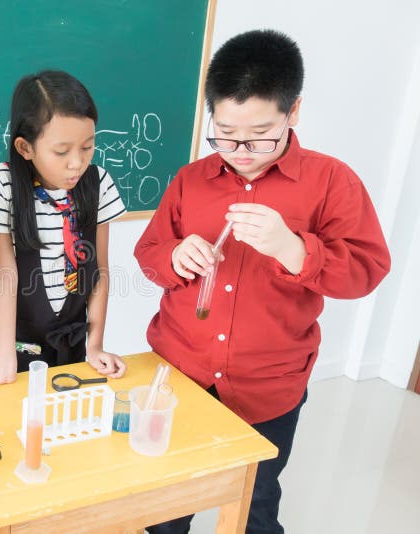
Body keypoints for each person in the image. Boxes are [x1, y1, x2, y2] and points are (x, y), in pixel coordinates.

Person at [134, 30, 390, 533]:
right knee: (165, 504)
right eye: (225, 134)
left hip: (269, 385)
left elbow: (366, 271)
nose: (241, 150)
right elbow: (148, 255)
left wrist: (295, 249)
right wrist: (175, 256)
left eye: (260, 135)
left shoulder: (332, 182)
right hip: (181, 372)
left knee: (255, 502)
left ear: (293, 112)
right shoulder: (190, 179)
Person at [0, 70, 127, 384]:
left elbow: (99, 270)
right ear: (25, 148)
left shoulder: (99, 184)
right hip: (18, 340)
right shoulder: (2, 185)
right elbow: (4, 272)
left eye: (87, 147)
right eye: (61, 151)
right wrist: (5, 363)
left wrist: (94, 346)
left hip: (75, 335)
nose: (76, 163)